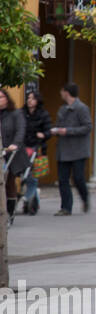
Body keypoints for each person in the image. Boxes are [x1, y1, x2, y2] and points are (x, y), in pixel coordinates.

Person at [51, 82, 93, 216]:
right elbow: (60, 125)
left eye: (62, 91)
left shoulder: (82, 108)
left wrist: (67, 131)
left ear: (66, 92)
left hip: (78, 150)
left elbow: (87, 127)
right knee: (63, 180)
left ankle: (85, 198)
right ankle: (66, 207)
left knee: (78, 178)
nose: (60, 94)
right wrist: (56, 130)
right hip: (63, 150)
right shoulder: (62, 109)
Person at [21, 89, 52, 215]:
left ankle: (28, 200)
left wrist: (43, 134)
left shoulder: (43, 115)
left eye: (32, 98)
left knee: (32, 177)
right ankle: (34, 202)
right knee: (25, 175)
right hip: (23, 147)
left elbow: (49, 131)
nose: (30, 100)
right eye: (28, 98)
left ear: (37, 100)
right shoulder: (22, 113)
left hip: (37, 148)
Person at [0, 88, 27, 222]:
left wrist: (15, 144)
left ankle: (10, 213)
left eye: (1, 97)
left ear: (7, 99)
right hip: (1, 152)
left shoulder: (16, 114)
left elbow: (20, 130)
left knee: (9, 181)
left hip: (11, 153)